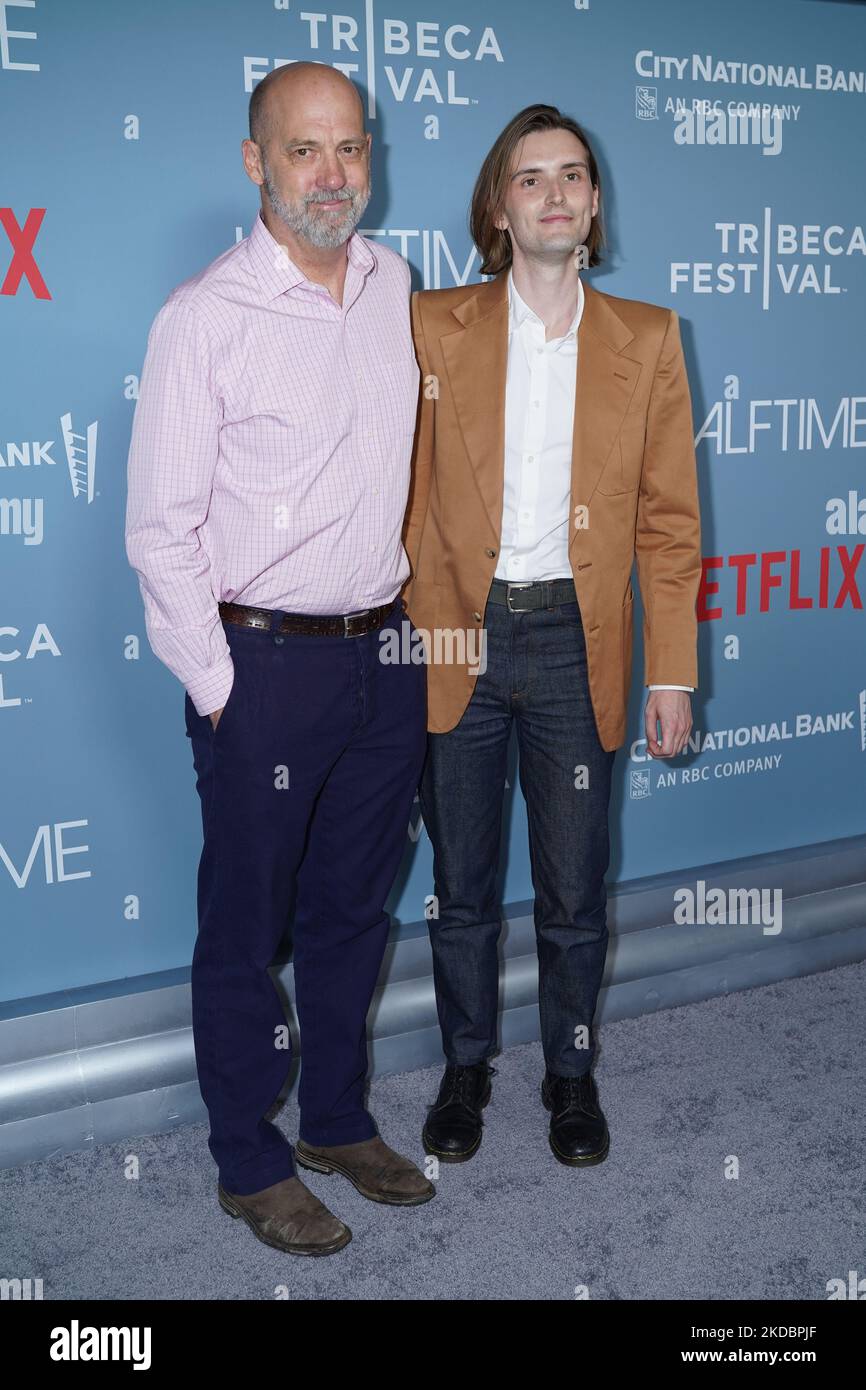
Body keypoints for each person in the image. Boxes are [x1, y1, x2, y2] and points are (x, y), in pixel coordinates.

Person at [125, 62, 433, 1258]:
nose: (331, 174)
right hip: (264, 666)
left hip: (382, 652)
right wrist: (223, 692)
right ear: (255, 162)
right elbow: (160, 529)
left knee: (354, 904)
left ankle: (337, 1118)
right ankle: (248, 1158)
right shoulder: (204, 316)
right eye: (303, 150)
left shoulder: (390, 280)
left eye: (349, 148)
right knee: (246, 925)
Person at [402, 104, 702, 1168]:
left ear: (592, 205)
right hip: (456, 644)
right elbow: (392, 491)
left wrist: (671, 669)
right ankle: (464, 1065)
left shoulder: (648, 338)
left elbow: (668, 522)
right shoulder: (431, 325)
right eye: (530, 178)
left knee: (575, 890)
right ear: (498, 205)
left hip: (579, 646)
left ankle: (568, 1076)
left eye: (572, 176)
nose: (555, 194)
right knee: (462, 886)